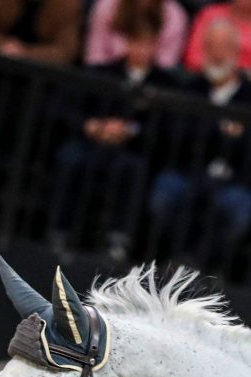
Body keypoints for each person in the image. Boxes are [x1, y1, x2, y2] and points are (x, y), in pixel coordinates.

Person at [147, 19, 251, 273]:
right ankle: (176, 260)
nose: (217, 54)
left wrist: (209, 133)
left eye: (224, 47)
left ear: (237, 53)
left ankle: (210, 269)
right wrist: (223, 133)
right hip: (188, 171)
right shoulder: (190, 89)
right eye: (211, 47)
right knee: (167, 193)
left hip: (235, 180)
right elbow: (177, 136)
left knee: (236, 207)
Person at [51, 26, 179, 262]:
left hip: (133, 151)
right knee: (70, 157)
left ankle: (118, 240)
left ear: (155, 47)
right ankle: (60, 231)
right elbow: (69, 109)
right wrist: (91, 125)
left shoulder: (164, 83)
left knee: (134, 169)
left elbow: (166, 128)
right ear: (127, 43)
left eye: (147, 43)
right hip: (91, 144)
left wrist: (130, 130)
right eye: (136, 42)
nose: (140, 49)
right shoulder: (104, 72)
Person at [0, 0, 82, 63]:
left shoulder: (67, 5)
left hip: (39, 84)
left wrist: (24, 54)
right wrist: (3, 47)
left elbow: (65, 50)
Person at [84, 0, 189, 67]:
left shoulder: (175, 15)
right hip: (107, 80)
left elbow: (166, 64)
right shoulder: (107, 6)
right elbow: (95, 56)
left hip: (152, 84)